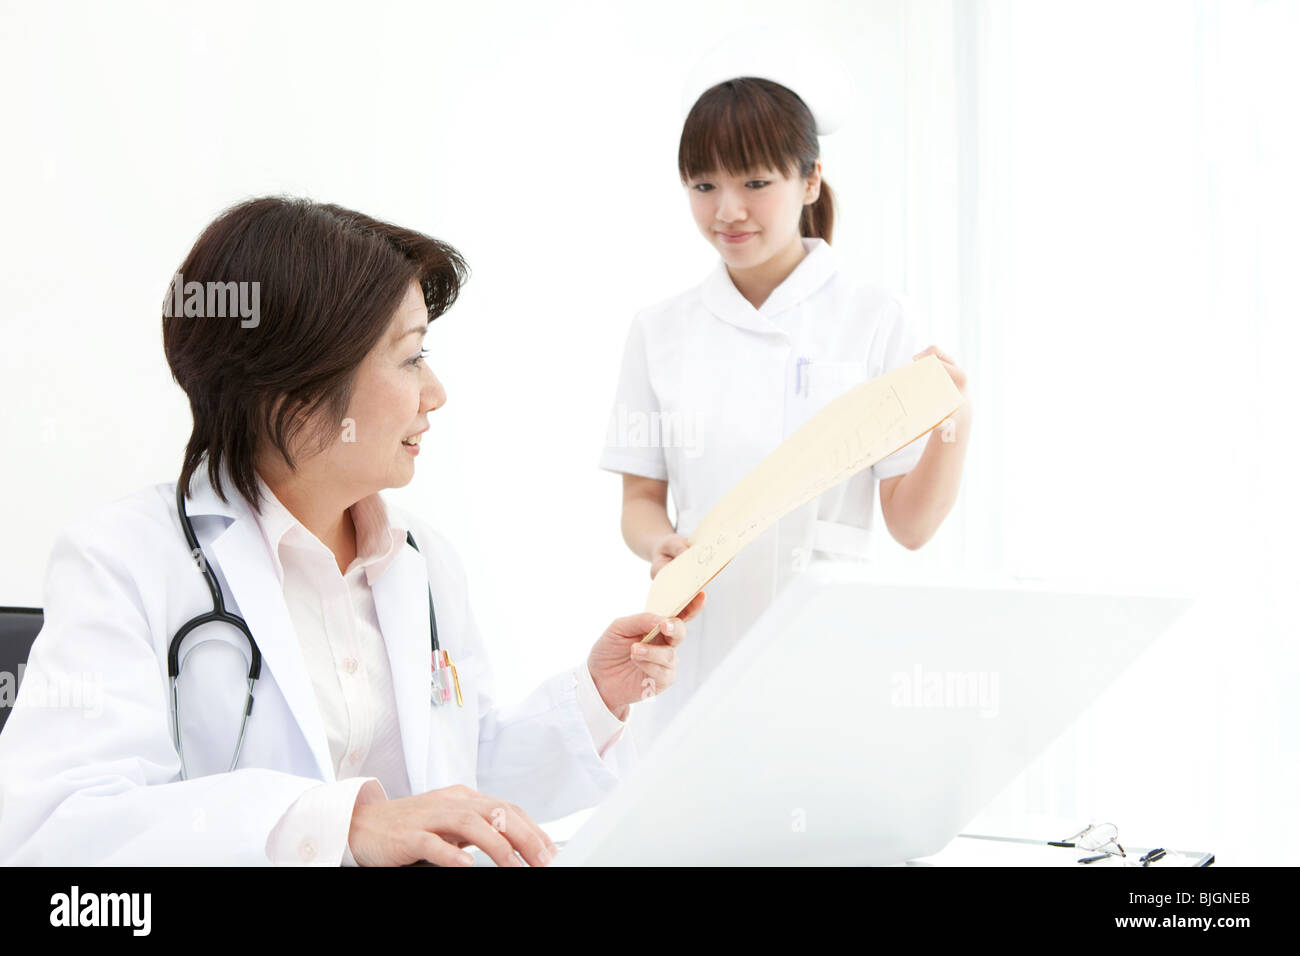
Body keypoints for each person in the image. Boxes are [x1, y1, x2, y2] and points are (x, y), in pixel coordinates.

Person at [0, 197, 702, 866]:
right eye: (409, 357)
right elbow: (58, 830)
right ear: (295, 389)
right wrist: (337, 824)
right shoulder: (123, 561)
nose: (436, 393)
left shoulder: (421, 561)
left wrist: (598, 696)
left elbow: (460, 786)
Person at [599, 76, 972, 751]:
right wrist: (660, 544)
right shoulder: (660, 331)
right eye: (704, 185)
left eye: (755, 182)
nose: (728, 210)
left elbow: (910, 527)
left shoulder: (874, 318)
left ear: (809, 182)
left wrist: (955, 423)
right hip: (697, 642)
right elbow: (641, 501)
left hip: (830, 643)